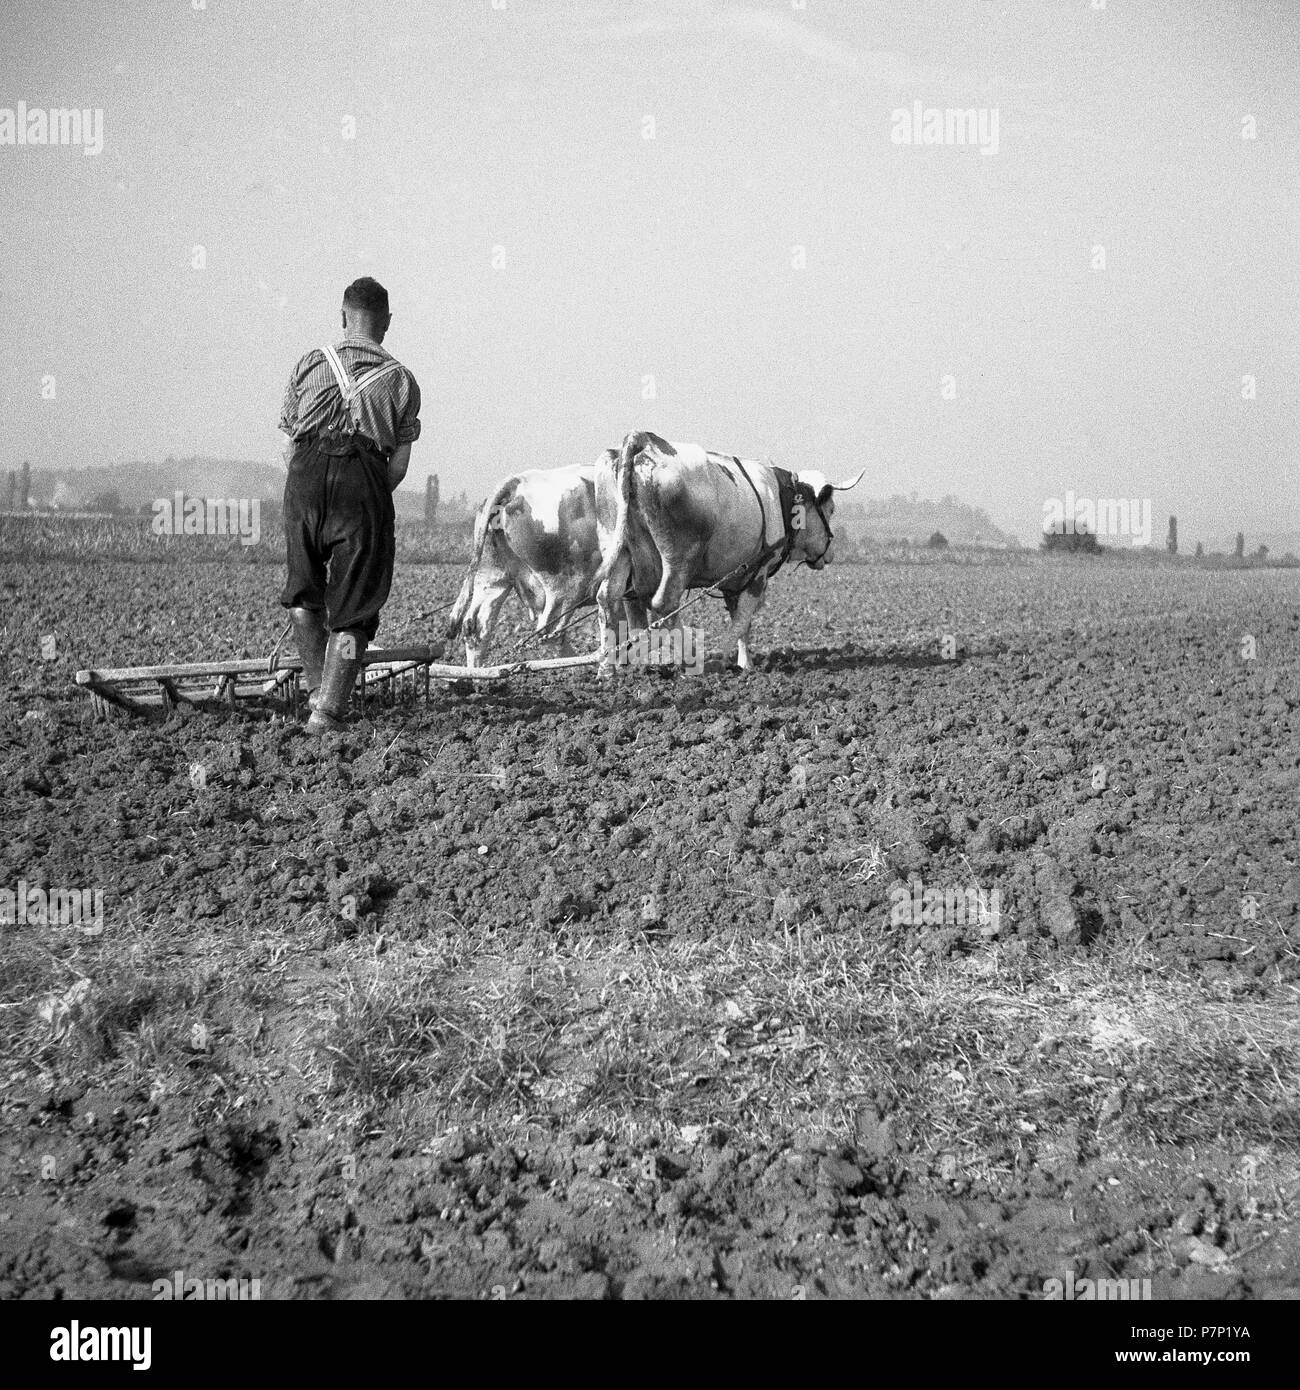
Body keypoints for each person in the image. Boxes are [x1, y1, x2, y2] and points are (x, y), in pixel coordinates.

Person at [277, 277, 422, 734]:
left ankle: (319, 691)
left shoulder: (308, 364)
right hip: (364, 484)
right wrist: (368, 497)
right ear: (387, 324)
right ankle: (327, 712)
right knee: (355, 608)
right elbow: (397, 467)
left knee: (305, 595)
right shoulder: (400, 380)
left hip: (303, 480)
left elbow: (287, 446)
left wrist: (310, 482)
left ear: (343, 317)